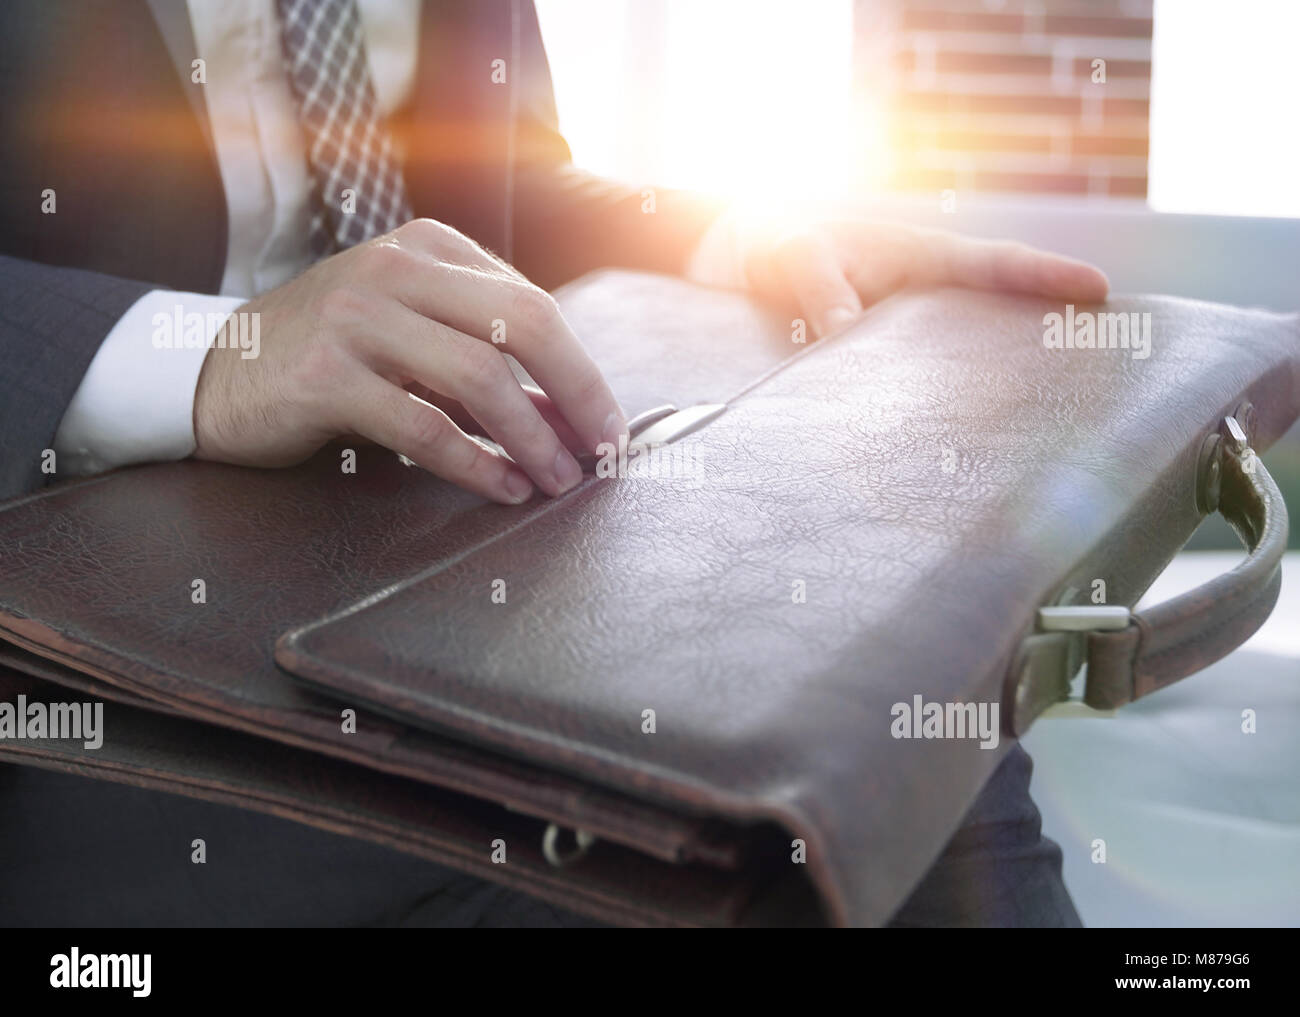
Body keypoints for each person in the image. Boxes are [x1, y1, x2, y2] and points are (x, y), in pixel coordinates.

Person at [0, 0, 1101, 926]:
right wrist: (216, 359)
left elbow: (510, 187)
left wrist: (735, 234)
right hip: (82, 640)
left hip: (447, 541)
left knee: (879, 736)